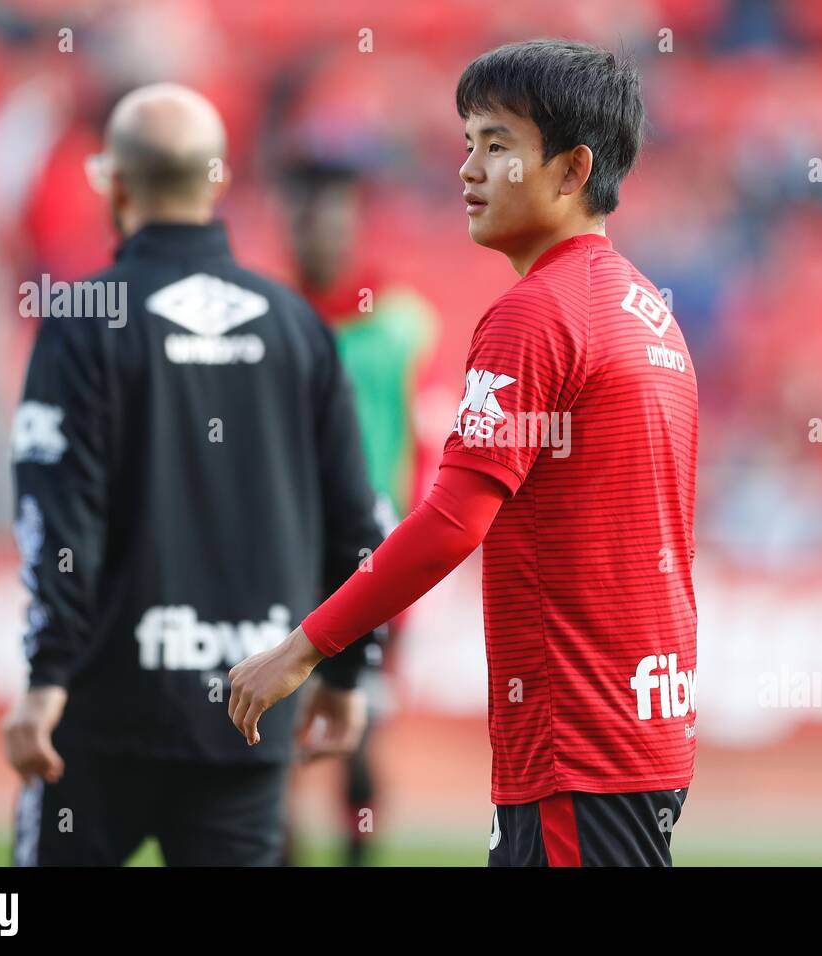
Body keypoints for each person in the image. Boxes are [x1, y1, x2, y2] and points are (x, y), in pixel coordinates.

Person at [229, 40, 699, 867]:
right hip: (640, 729)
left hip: (574, 740)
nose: (467, 170)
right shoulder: (645, 311)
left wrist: (305, 647)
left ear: (571, 169)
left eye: (496, 145)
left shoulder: (536, 315)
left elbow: (453, 518)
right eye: (466, 144)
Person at [3, 83, 383, 866]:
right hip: (246, 714)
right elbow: (357, 522)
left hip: (102, 714)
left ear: (112, 182)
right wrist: (347, 676)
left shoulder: (84, 318)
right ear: (218, 181)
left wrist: (46, 678)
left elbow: (56, 519)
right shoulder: (297, 325)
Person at [277, 152, 438, 866]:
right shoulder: (273, 318)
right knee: (270, 742)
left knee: (359, 739)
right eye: (311, 221)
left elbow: (432, 447)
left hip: (374, 566)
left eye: (336, 221)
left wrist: (411, 553)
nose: (324, 237)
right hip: (280, 562)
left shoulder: (404, 325)